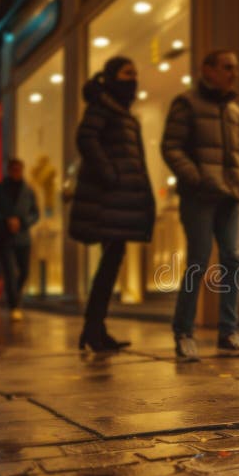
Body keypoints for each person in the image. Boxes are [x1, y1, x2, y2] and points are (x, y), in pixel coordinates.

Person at [161, 49, 239, 362]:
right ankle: (183, 333)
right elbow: (170, 147)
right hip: (199, 196)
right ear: (208, 69)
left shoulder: (233, 110)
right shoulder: (186, 103)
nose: (234, 73)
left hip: (229, 195)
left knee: (233, 260)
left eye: (235, 68)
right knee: (198, 261)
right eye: (227, 67)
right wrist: (196, 177)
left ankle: (228, 333)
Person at [70, 56, 155, 352]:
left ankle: (94, 329)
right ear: (112, 76)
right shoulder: (103, 106)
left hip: (117, 202)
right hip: (107, 202)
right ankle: (93, 329)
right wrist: (110, 173)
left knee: (110, 265)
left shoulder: (120, 111)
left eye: (135, 73)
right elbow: (85, 137)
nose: (133, 78)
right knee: (109, 265)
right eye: (127, 73)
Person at [0, 158, 39, 321]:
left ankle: (14, 296)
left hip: (23, 237)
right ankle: (14, 305)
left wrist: (23, 222)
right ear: (8, 170)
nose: (16, 172)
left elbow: (35, 213)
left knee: (24, 271)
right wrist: (4, 219)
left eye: (19, 169)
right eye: (13, 169)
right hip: (4, 237)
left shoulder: (28, 190)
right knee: (9, 272)